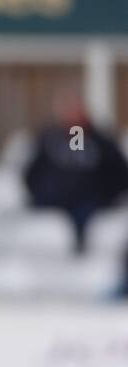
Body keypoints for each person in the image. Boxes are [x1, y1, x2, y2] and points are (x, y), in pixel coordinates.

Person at [23, 93, 128, 253]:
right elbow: (31, 174)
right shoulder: (48, 139)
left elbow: (120, 174)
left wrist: (105, 195)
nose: (73, 114)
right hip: (53, 201)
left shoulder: (102, 141)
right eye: (69, 109)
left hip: (91, 203)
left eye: (77, 109)